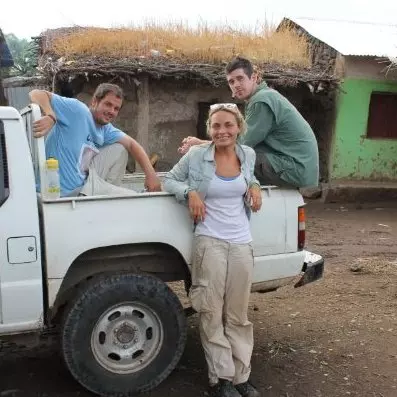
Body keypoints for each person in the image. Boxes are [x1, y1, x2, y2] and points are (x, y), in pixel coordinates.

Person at [164, 103, 262, 397]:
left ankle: (241, 376)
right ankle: (221, 379)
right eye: (216, 126)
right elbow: (170, 179)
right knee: (211, 310)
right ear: (209, 129)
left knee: (238, 314)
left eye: (228, 125)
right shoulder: (196, 157)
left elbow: (250, 178)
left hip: (242, 243)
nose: (222, 131)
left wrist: (255, 185)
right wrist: (189, 192)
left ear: (238, 128)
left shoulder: (248, 155)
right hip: (210, 241)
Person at [178, 57, 319, 189]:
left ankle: (220, 202)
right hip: (293, 165)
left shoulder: (262, 100)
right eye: (231, 82)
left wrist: (199, 144)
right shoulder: (264, 96)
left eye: (240, 79)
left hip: (294, 167)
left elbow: (240, 145)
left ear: (254, 78)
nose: (236, 85)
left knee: (231, 156)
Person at [29, 83, 161, 197]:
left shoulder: (106, 129)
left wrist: (151, 175)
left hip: (85, 183)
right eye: (108, 104)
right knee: (132, 200)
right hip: (63, 191)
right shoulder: (77, 111)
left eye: (116, 109)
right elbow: (36, 93)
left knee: (120, 149)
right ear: (94, 102)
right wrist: (51, 115)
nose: (112, 111)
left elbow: (132, 144)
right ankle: (102, 199)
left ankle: (102, 197)